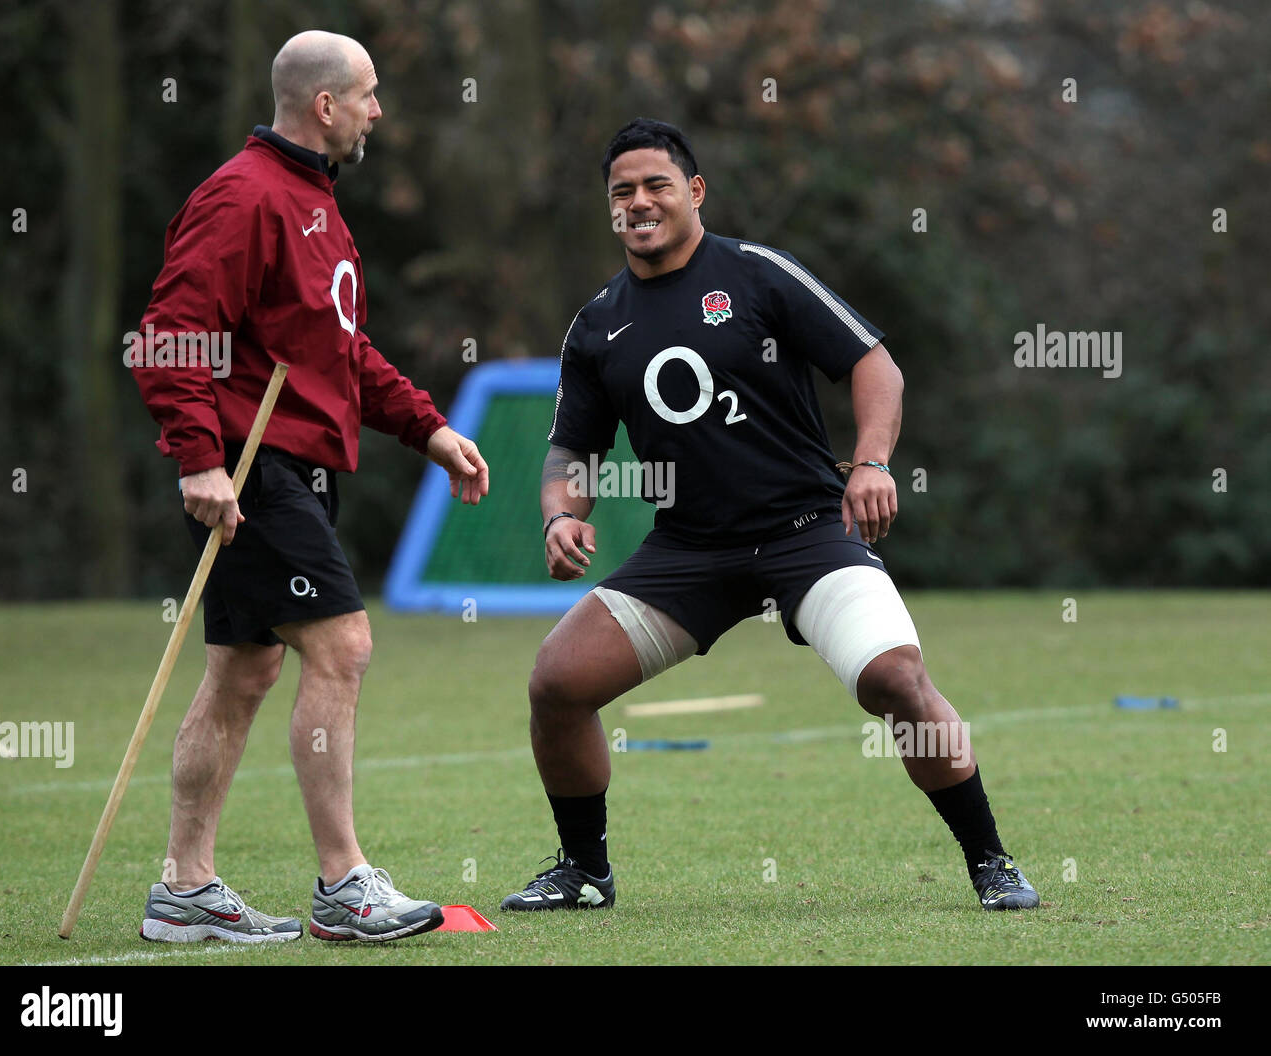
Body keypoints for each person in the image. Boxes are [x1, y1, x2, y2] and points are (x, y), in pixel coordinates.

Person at [501, 118, 1037, 914]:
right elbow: (571, 450)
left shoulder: (757, 274)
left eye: (657, 185)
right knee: (557, 683)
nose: (640, 202)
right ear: (609, 208)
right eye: (623, 192)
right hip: (687, 551)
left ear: (695, 191)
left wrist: (873, 462)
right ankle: (585, 872)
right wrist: (559, 516)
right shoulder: (596, 324)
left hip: (804, 535)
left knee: (895, 678)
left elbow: (872, 363)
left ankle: (990, 860)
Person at [130, 30, 489, 943]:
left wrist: (430, 428)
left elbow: (336, 353)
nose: (379, 110)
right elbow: (170, 331)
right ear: (325, 106)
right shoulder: (243, 195)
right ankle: (344, 885)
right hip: (257, 470)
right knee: (344, 647)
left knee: (244, 672)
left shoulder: (317, 201)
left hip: (298, 468)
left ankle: (185, 888)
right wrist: (197, 455)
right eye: (369, 94)